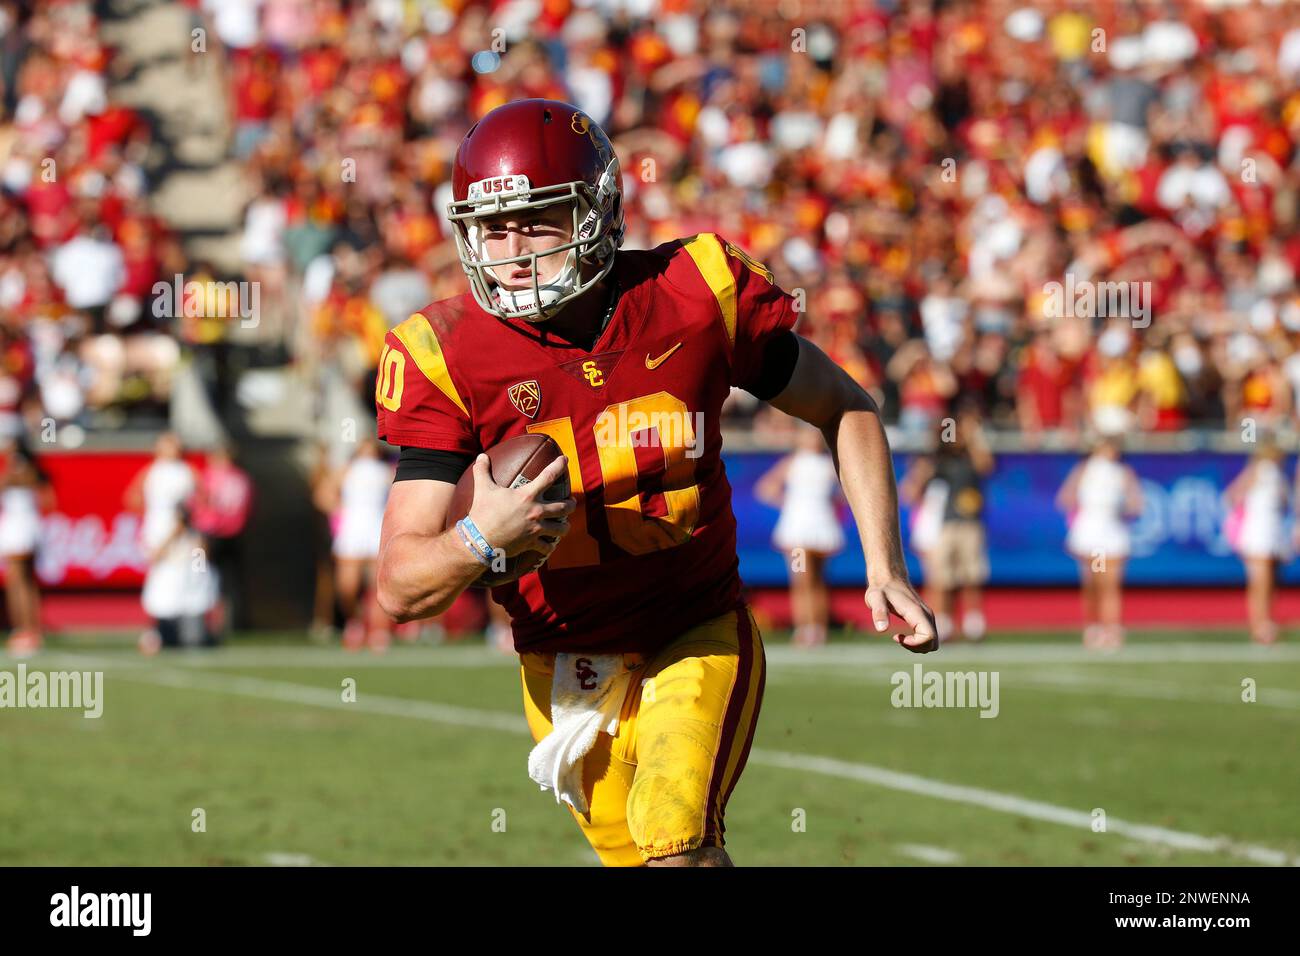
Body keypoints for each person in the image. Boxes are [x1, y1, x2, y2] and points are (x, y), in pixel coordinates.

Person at [373, 100, 936, 868]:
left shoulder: (695, 293)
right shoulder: (444, 352)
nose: (512, 250)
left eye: (537, 220)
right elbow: (399, 587)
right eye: (492, 228)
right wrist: (480, 537)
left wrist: (886, 568)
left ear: (600, 211)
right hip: (562, 662)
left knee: (677, 841)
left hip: (694, 627)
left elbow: (846, 408)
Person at [900, 409, 994, 642]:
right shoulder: (935, 461)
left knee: (971, 576)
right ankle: (944, 622)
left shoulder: (970, 460)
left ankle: (974, 623)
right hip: (942, 526)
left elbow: (986, 465)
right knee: (942, 578)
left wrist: (974, 436)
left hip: (969, 524)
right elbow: (909, 492)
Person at [125, 432, 218, 652]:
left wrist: (194, 528)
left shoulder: (188, 472)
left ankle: (194, 630)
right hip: (158, 534)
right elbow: (132, 498)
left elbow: (202, 505)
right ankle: (164, 631)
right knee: (163, 580)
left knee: (193, 578)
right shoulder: (152, 471)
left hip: (186, 538)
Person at [755, 423, 844, 648]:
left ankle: (819, 629)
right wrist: (790, 505)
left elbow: (845, 493)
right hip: (796, 530)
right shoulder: (792, 463)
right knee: (801, 580)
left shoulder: (829, 465)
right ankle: (804, 627)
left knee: (819, 581)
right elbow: (766, 489)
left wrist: (830, 504)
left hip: (822, 528)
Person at [1057, 434, 1144, 650]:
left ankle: (1112, 629)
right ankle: (1093, 627)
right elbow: (1065, 498)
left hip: (1111, 534)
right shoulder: (1085, 469)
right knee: (1095, 583)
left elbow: (1136, 504)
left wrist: (1120, 509)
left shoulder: (1122, 472)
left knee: (1111, 584)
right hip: (1093, 536)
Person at [319, 438, 394, 652]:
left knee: (377, 586)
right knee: (347, 585)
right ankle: (355, 622)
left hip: (376, 529)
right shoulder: (347, 470)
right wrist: (340, 509)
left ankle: (379, 631)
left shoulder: (386, 471)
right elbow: (323, 495)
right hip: (353, 530)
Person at [1223, 439, 1291, 644]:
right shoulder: (1258, 470)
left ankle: (1266, 621)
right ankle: (1259, 625)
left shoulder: (1277, 474)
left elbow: (1285, 502)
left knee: (1271, 582)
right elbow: (1232, 495)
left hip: (1273, 531)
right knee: (1259, 582)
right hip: (1258, 532)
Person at [191, 444, 254, 635]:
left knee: (199, 574)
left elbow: (199, 502)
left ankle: (200, 619)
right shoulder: (243, 478)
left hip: (208, 535)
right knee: (231, 581)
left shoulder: (211, 476)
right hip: (234, 534)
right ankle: (232, 623)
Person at [0, 441, 53, 657]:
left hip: (21, 529)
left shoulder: (22, 469)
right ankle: (28, 629)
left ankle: (26, 629)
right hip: (19, 527)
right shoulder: (23, 470)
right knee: (21, 581)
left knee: (19, 580)